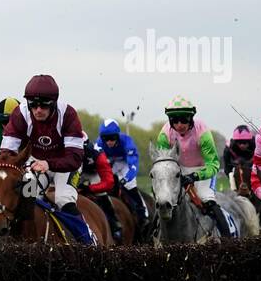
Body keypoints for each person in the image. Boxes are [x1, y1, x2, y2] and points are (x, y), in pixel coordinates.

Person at [0, 74, 86, 219]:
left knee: (64, 200)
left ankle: (86, 240)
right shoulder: (20, 113)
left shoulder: (68, 114)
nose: (38, 110)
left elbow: (75, 158)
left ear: (54, 103)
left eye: (44, 105)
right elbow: (7, 153)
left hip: (66, 165)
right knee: (27, 199)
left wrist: (48, 163)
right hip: (35, 163)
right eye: (33, 104)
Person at [155, 95, 230, 238]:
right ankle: (150, 238)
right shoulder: (165, 135)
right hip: (178, 170)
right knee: (163, 201)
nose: (179, 125)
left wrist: (194, 176)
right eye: (175, 121)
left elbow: (213, 164)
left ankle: (229, 240)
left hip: (202, 171)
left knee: (207, 200)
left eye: (184, 120)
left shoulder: (202, 132)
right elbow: (164, 164)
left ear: (191, 119)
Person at [96, 119, 148, 226]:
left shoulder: (127, 142)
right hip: (111, 162)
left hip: (126, 162)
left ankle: (142, 212)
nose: (109, 142)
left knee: (129, 184)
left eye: (112, 138)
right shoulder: (99, 143)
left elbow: (133, 166)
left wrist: (125, 179)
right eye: (105, 138)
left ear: (118, 136)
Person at [78, 136, 123, 243]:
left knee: (101, 192)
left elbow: (109, 183)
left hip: (93, 173)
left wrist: (89, 188)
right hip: (75, 170)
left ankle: (115, 225)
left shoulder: (98, 155)